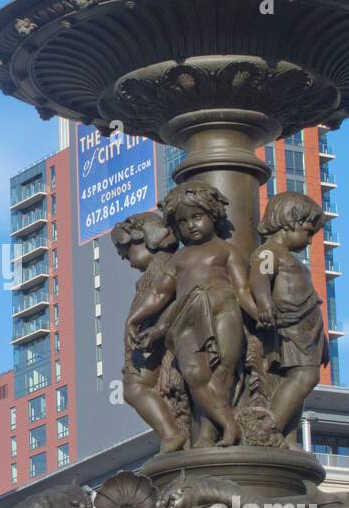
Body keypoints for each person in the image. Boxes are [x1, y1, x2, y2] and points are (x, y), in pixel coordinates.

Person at [140, 182, 259, 448]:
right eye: (182, 221)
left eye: (196, 217)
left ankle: (208, 434)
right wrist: (140, 322)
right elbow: (160, 294)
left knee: (223, 370)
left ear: (212, 214)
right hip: (186, 319)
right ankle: (229, 423)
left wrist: (257, 313)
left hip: (224, 310)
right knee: (193, 373)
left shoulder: (226, 251)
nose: (191, 225)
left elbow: (241, 289)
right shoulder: (178, 258)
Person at [249, 191, 329, 440]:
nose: (310, 240)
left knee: (300, 380)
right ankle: (267, 429)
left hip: (308, 328)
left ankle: (288, 437)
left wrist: (323, 341)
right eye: (307, 232)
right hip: (289, 327)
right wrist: (264, 302)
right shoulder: (268, 252)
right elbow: (260, 278)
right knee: (305, 376)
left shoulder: (291, 259)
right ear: (289, 221)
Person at [111, 210, 188, 453]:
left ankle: (171, 433)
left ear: (146, 239)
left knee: (134, 388)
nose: (127, 261)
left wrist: (157, 329)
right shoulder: (158, 271)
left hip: (158, 341)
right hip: (152, 339)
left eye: (127, 253)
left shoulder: (164, 268)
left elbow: (174, 300)